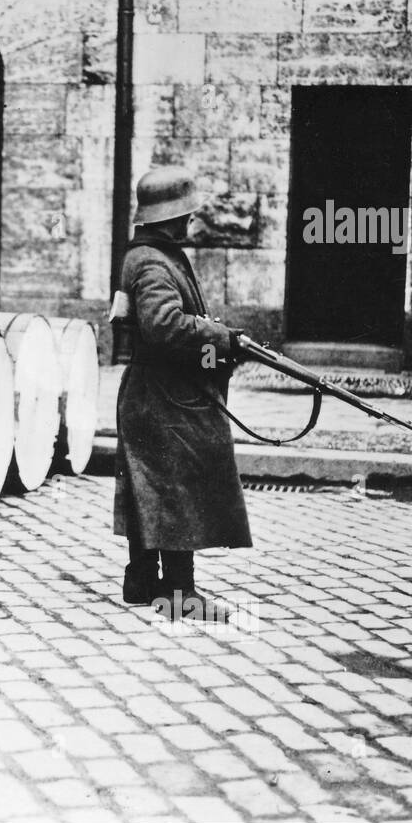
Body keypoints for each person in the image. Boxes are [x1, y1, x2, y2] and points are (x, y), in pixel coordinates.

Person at [113, 166, 252, 622]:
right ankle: (178, 594)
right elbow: (164, 326)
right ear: (169, 217)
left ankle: (141, 580)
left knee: (149, 486)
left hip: (155, 393)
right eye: (185, 215)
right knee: (176, 489)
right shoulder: (153, 260)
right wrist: (221, 337)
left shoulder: (151, 253)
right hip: (163, 396)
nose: (190, 222)